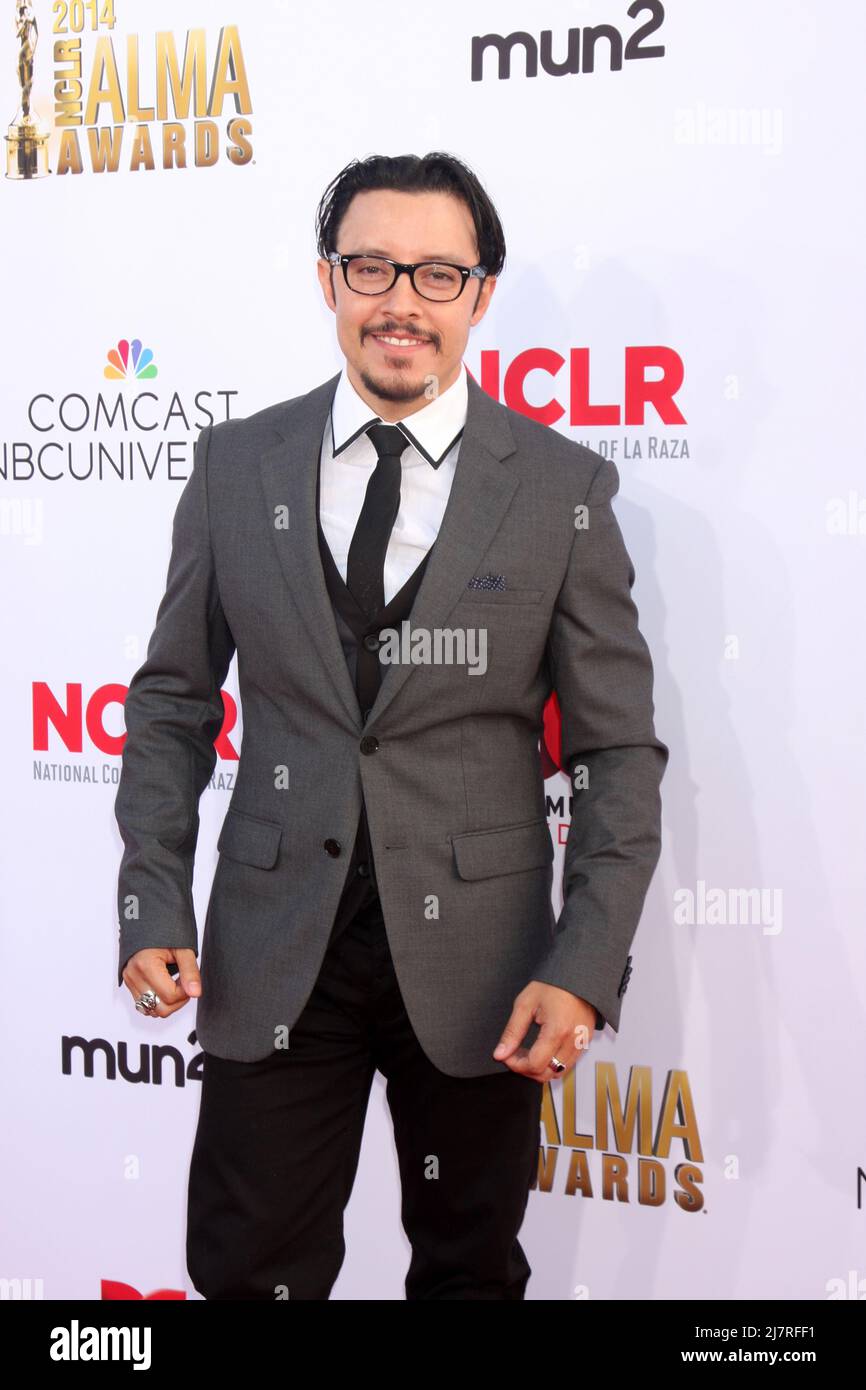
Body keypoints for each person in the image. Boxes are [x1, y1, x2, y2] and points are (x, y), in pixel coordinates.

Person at [115, 152, 669, 1300]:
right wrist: (151, 898)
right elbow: (172, 700)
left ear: (480, 294)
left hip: (482, 969)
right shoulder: (234, 466)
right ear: (328, 280)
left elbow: (613, 751)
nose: (400, 301)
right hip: (276, 948)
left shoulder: (560, 490)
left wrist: (581, 965)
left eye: (435, 273)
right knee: (248, 1269)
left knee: (468, 1274)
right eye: (370, 266)